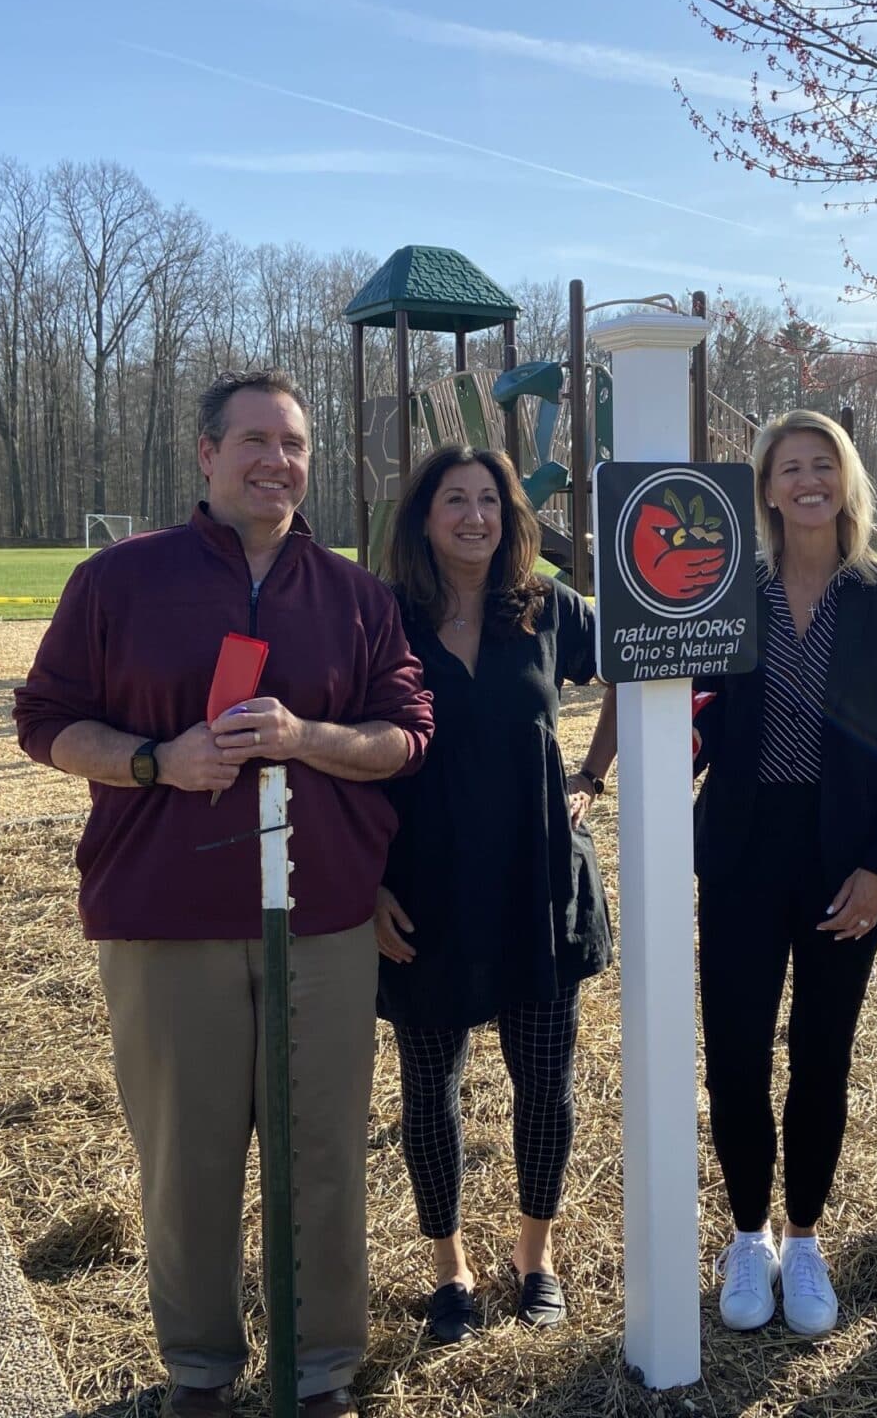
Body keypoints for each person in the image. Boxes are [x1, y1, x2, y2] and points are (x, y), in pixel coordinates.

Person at [13, 369, 434, 1418]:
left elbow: (405, 736)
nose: (275, 462)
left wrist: (304, 738)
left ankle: (321, 1366)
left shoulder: (355, 597)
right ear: (206, 455)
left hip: (323, 922)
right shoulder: (118, 582)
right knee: (186, 1160)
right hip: (165, 918)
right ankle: (199, 1368)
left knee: (322, 1154)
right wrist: (157, 761)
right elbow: (44, 721)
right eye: (254, 441)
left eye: (293, 445)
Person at [691, 409, 877, 1337]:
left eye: (822, 465)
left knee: (823, 1054)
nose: (807, 481)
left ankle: (803, 1239)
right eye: (789, 467)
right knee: (737, 1051)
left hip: (846, 860)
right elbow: (699, 712)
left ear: (847, 480)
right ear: (764, 486)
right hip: (744, 850)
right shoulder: (724, 590)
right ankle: (747, 1234)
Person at [371, 445, 617, 1344]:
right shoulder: (384, 617)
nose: (474, 516)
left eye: (490, 500)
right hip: (421, 890)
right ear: (424, 516)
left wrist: (590, 774)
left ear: (513, 516)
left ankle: (533, 1256)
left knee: (545, 1085)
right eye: (455, 500)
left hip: (538, 885)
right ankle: (450, 1271)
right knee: (429, 1087)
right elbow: (345, 756)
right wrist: (366, 884)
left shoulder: (549, 607)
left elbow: (638, 662)